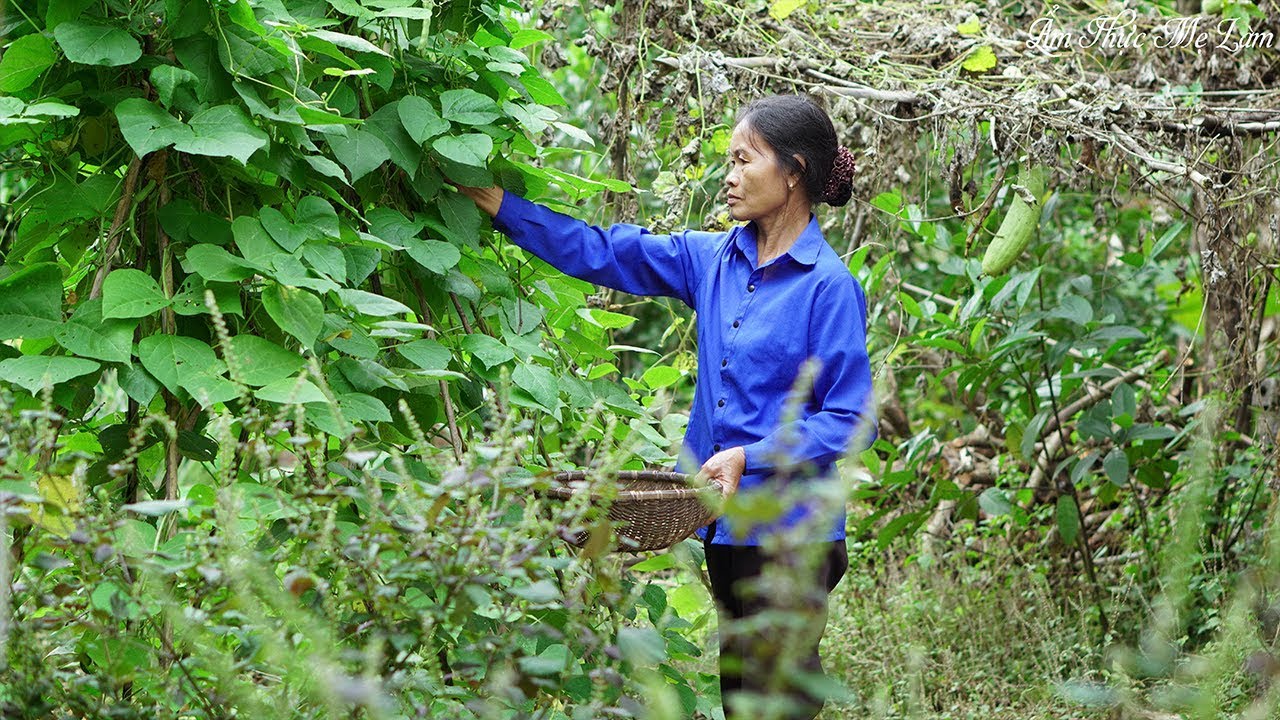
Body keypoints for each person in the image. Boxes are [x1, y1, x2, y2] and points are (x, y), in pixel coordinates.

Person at [455, 93, 875, 720]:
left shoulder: (828, 286)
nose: (728, 177)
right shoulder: (712, 259)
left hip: (793, 535)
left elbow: (848, 420)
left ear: (792, 173)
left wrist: (747, 457)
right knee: (744, 699)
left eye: (744, 160)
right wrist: (501, 207)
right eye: (728, 160)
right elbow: (604, 252)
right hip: (726, 528)